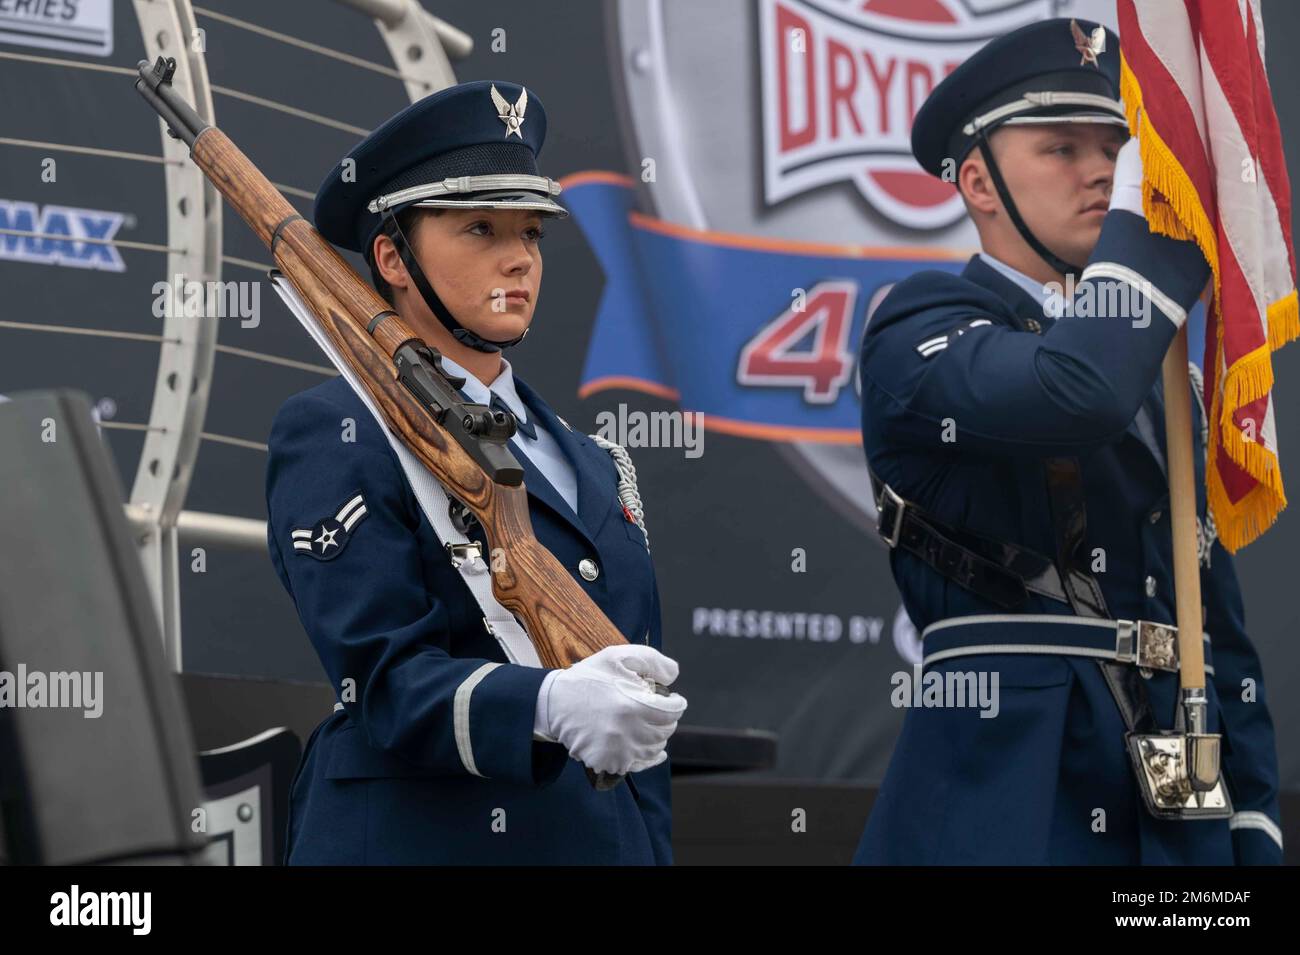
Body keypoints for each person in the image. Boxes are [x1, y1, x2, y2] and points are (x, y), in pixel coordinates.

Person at [855, 18, 1282, 864]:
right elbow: (1073, 390)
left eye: (1118, 151)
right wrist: (1148, 231)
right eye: (1061, 148)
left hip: (1173, 807)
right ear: (976, 182)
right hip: (1010, 787)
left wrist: (1250, 819)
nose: (1101, 174)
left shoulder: (1158, 375)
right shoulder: (919, 323)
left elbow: (1215, 623)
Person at [265, 80, 686, 864]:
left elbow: (635, 734)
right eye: (481, 228)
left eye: (531, 232)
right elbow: (382, 680)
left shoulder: (594, 460)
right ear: (391, 256)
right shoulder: (339, 428)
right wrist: (545, 702)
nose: (518, 256)